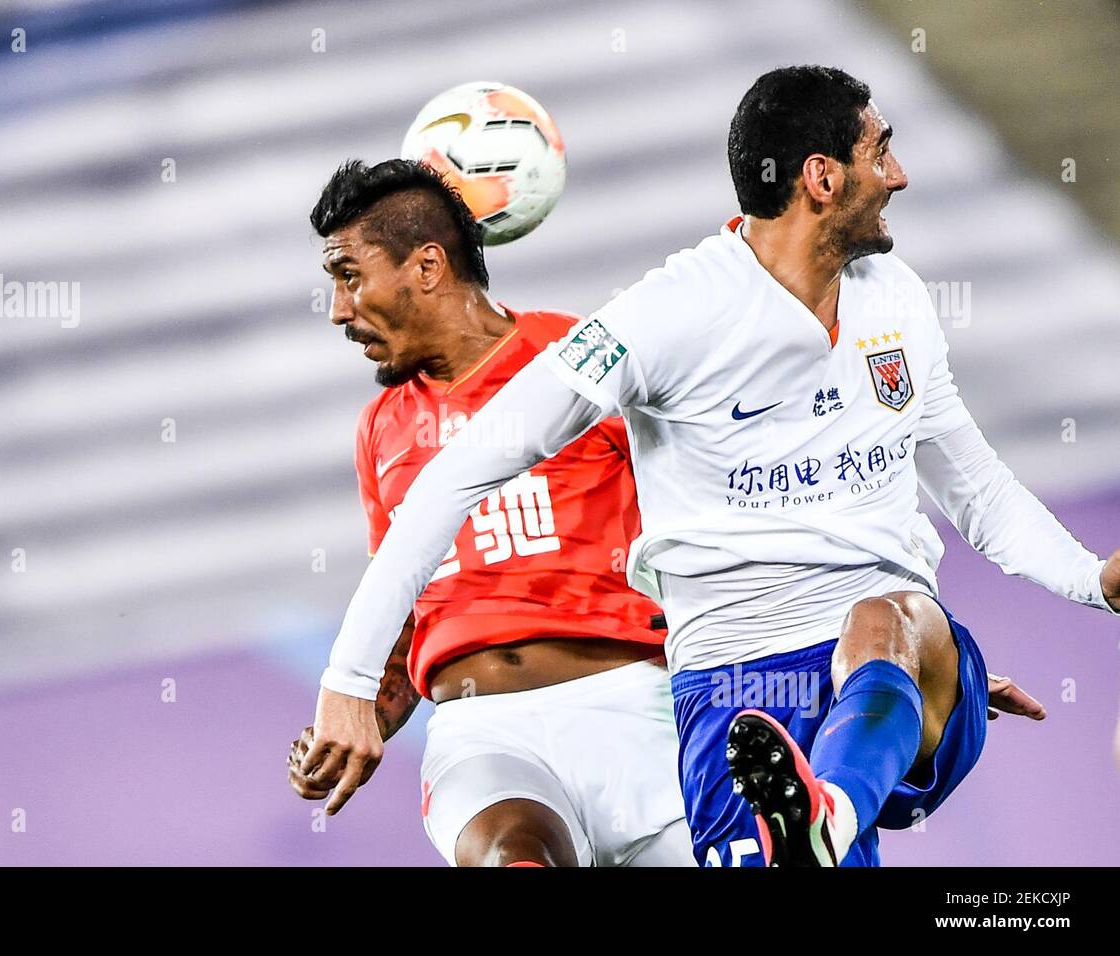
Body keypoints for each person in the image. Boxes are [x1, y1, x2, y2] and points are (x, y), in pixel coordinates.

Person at [299, 67, 1118, 866]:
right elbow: (460, 476)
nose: (899, 175)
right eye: (882, 153)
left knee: (890, 618)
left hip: (819, 663)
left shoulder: (896, 299)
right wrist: (352, 680)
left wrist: (1081, 585)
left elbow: (974, 487)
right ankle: (825, 808)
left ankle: (834, 795)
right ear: (822, 178)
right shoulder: (664, 319)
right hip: (733, 702)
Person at [287, 159, 694, 867]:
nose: (337, 310)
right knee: (514, 857)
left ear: (427, 266)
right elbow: (407, 612)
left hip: (641, 713)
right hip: (484, 737)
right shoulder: (381, 429)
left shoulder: (582, 361)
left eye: (348, 275)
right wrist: (363, 714)